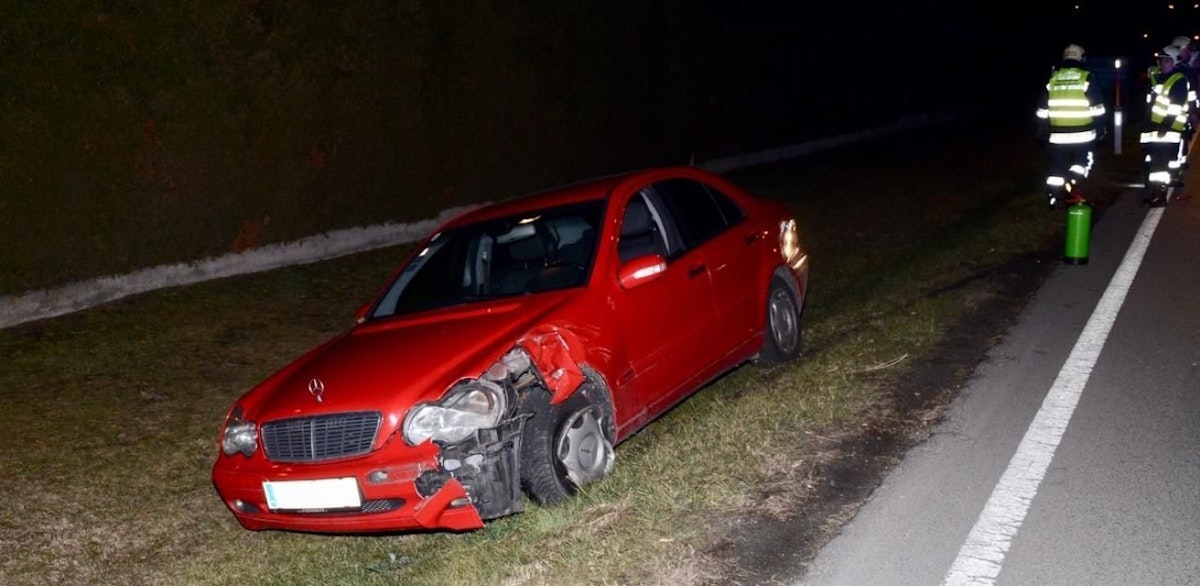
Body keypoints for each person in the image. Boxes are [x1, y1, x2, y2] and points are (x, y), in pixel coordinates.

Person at [1036, 43, 1107, 210]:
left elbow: (1042, 109)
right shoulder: (1086, 77)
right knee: (1083, 163)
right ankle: (1071, 184)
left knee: (1057, 167)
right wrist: (1101, 128)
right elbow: (1097, 108)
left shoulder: (1053, 79)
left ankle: (1053, 196)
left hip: (1057, 135)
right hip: (1083, 134)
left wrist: (1041, 129)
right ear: (1082, 58)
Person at [1140, 45, 1192, 207]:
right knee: (1155, 164)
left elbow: (1176, 106)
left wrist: (1165, 125)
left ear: (1174, 62)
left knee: (1160, 165)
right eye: (1161, 60)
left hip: (1168, 129)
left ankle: (1160, 195)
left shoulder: (1178, 80)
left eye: (1166, 60)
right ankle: (1155, 193)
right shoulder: (1159, 78)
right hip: (1154, 128)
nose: (1162, 63)